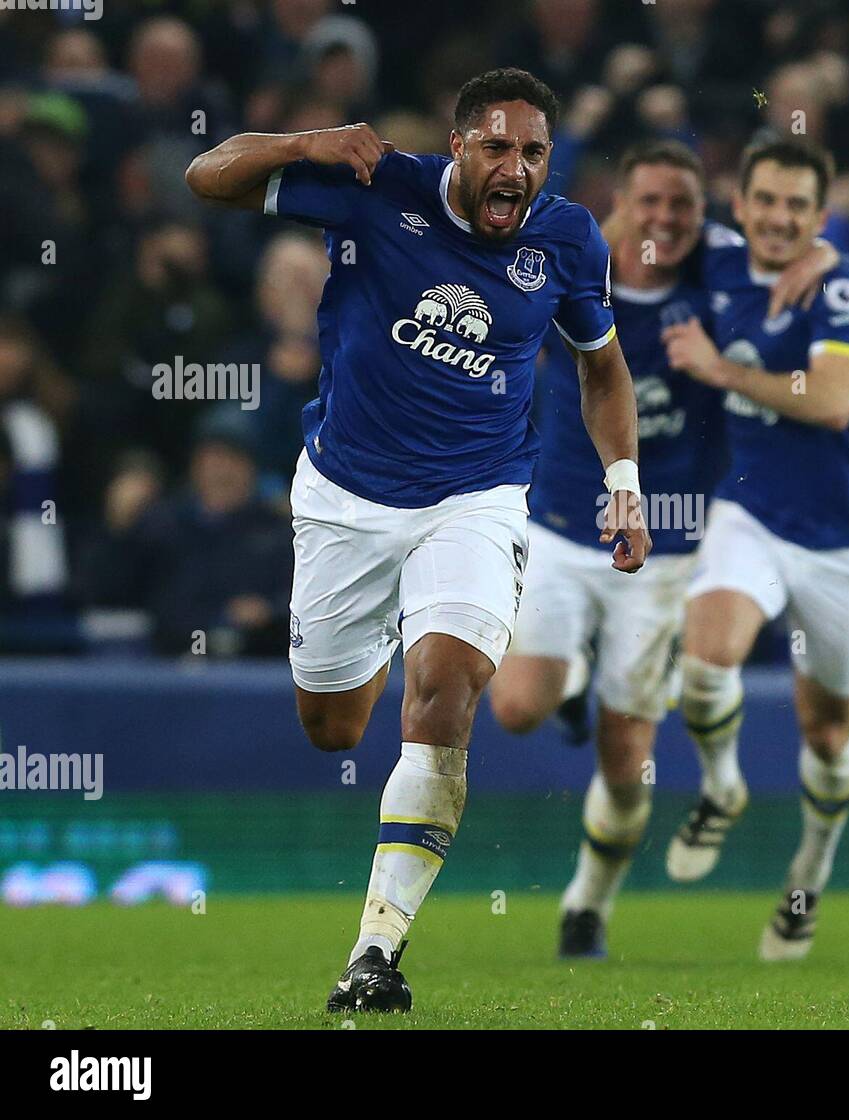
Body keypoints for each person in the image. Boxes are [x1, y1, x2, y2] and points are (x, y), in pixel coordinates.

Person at [185, 67, 650, 1012]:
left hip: (476, 498)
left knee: (444, 693)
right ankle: (394, 638)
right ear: (458, 147)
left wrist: (624, 484)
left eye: (532, 152)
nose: (514, 167)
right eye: (496, 146)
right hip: (347, 498)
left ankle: (375, 952)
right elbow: (208, 175)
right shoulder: (375, 188)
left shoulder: (567, 240)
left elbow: (603, 370)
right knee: (334, 728)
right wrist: (305, 141)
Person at [490, 138, 835, 958]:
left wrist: (820, 254)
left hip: (670, 545)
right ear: (620, 201)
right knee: (515, 707)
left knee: (627, 761)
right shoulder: (568, 263)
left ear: (702, 212)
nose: (666, 219)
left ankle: (586, 904)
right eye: (650, 202)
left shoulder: (719, 274)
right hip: (561, 523)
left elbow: (804, 258)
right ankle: (569, 676)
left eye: (682, 204)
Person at [661, 137, 849, 961]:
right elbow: (624, 233)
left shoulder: (844, 288)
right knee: (706, 658)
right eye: (767, 200)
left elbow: (832, 401)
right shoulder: (714, 263)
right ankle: (722, 787)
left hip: (843, 538)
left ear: (821, 218)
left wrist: (721, 371)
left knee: (827, 733)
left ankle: (809, 876)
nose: (781, 218)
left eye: (799, 207)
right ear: (740, 205)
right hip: (748, 511)